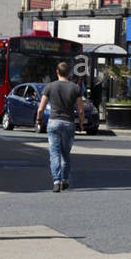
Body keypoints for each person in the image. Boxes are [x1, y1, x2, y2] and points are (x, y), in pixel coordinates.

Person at [37, 61, 87, 193]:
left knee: (54, 153)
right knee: (65, 154)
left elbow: (41, 108)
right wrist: (81, 124)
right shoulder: (75, 88)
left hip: (53, 122)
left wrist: (39, 120)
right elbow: (81, 110)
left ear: (57, 72)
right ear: (69, 73)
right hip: (68, 123)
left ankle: (56, 181)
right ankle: (64, 180)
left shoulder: (49, 87)